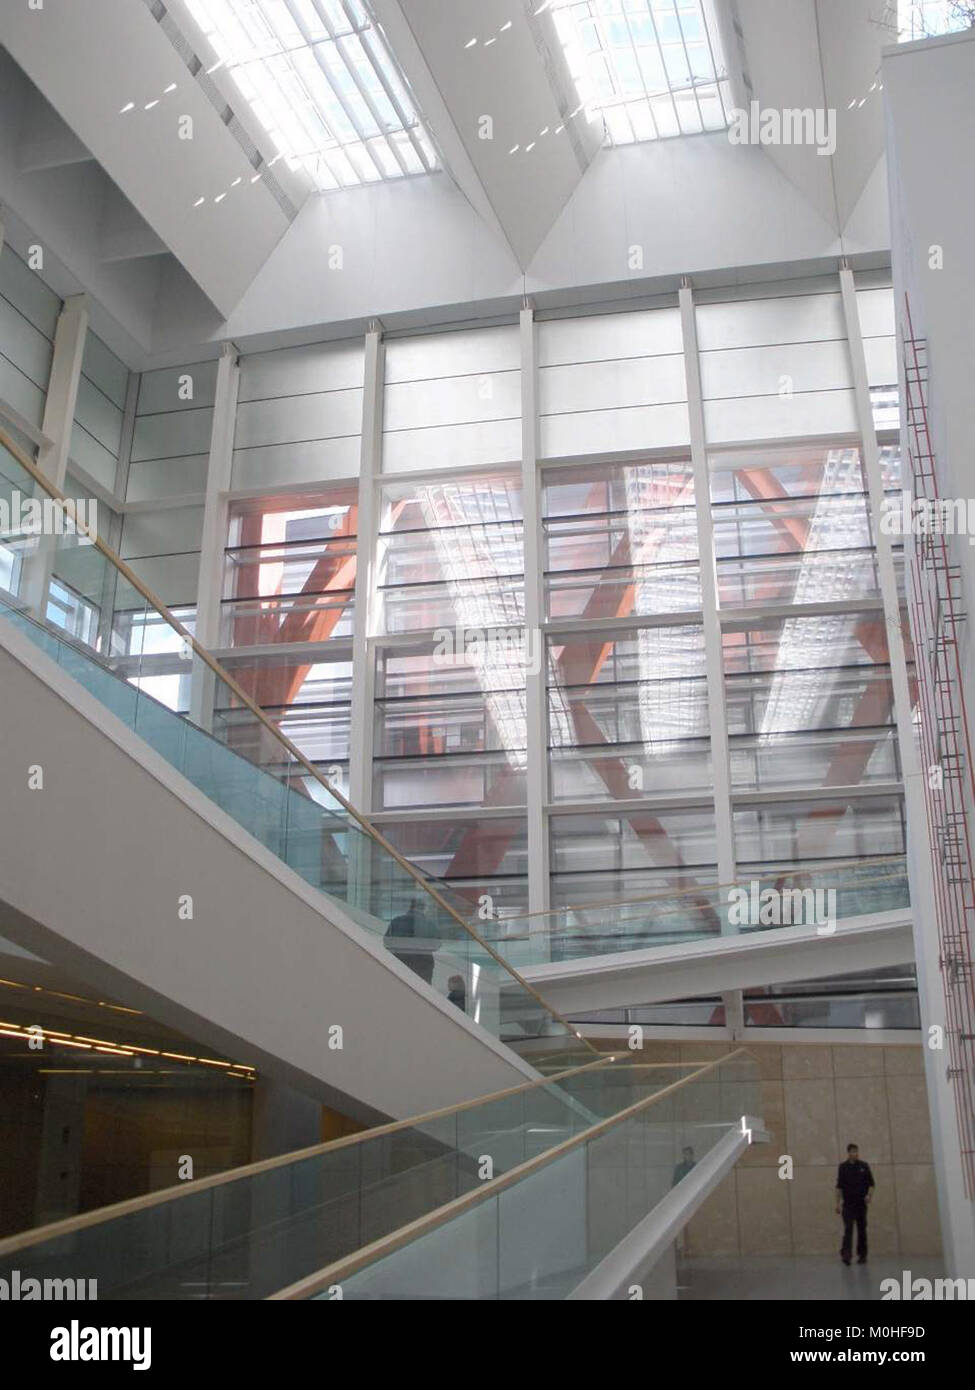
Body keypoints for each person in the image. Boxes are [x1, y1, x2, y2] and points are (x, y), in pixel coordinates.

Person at [835, 1142, 875, 1265]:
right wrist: (837, 1203)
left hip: (861, 1204)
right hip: (848, 1204)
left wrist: (869, 1195)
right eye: (852, 1151)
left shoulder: (864, 1166)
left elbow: (872, 1184)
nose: (855, 1154)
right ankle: (846, 1255)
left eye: (856, 1151)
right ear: (848, 1153)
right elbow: (839, 1187)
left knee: (862, 1229)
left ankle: (862, 1255)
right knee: (848, 1229)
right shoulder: (843, 1167)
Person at [384, 898, 434, 986]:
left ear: (410, 907)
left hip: (400, 960)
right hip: (423, 963)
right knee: (423, 991)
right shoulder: (429, 923)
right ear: (423, 908)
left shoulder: (397, 921)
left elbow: (387, 941)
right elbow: (437, 944)